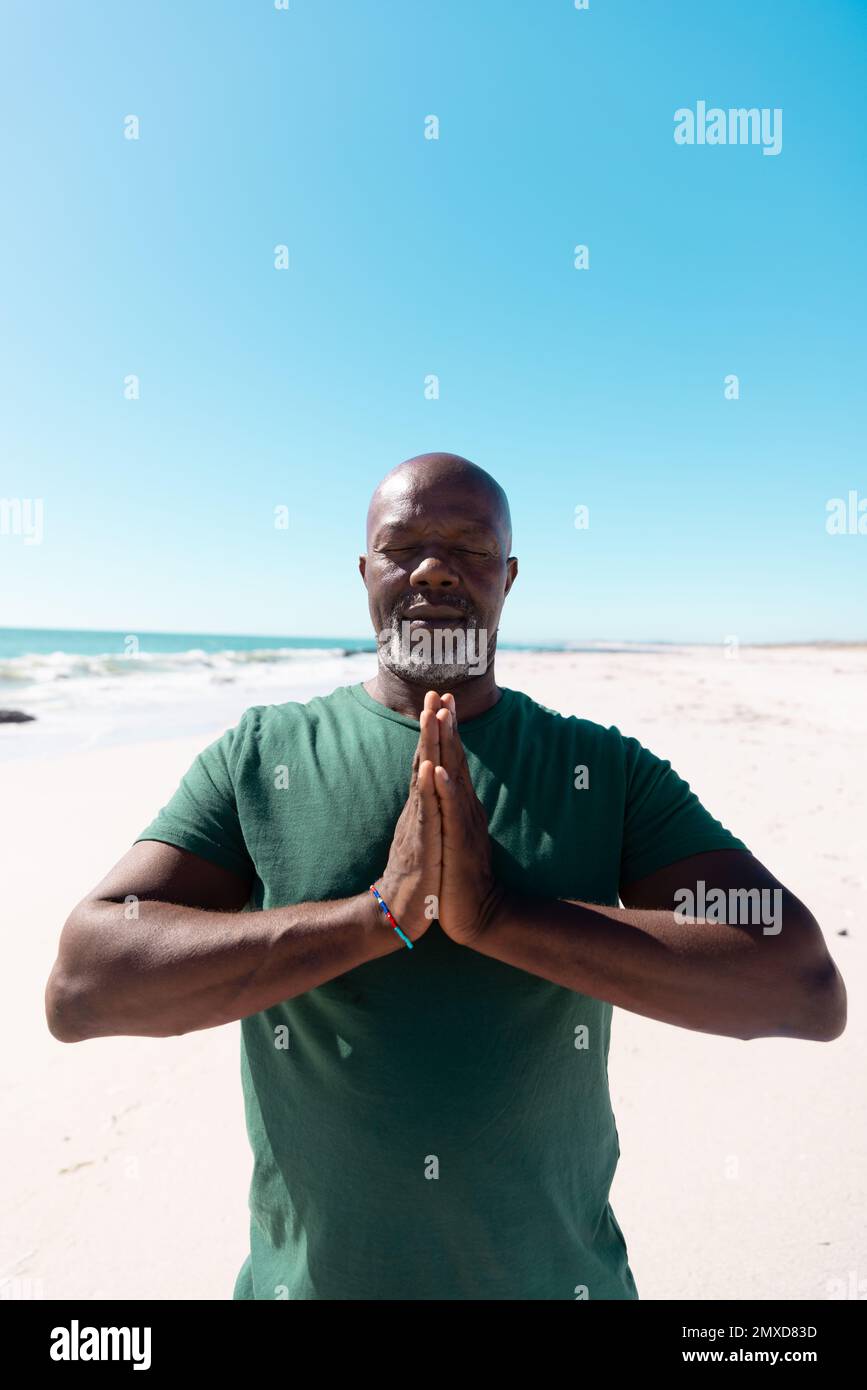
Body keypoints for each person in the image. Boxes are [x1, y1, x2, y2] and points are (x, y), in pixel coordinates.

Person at [45, 452, 847, 1301]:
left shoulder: (600, 769)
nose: (433, 567)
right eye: (403, 548)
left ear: (508, 576)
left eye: (468, 547)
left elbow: (800, 986)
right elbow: (84, 986)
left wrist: (499, 917)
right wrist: (372, 917)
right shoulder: (264, 756)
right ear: (365, 573)